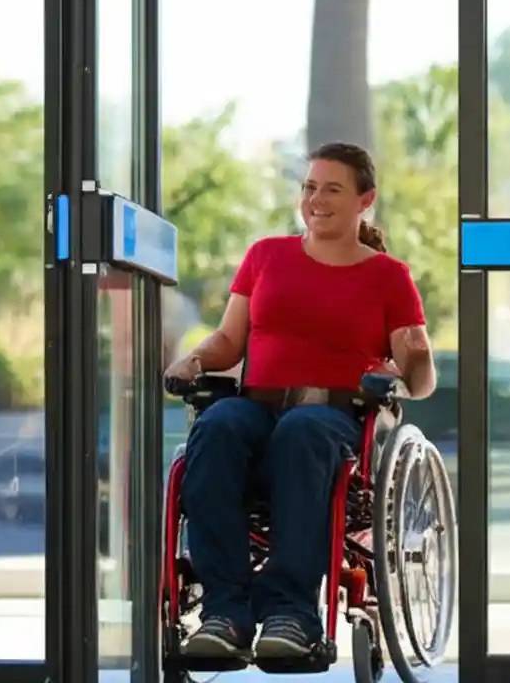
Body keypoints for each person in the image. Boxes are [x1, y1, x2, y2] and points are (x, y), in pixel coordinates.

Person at [162, 142, 436, 660]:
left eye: (332, 188)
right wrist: (194, 361)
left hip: (333, 420)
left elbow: (418, 379)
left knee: (302, 431)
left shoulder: (388, 276)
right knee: (218, 424)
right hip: (257, 406)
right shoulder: (266, 256)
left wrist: (410, 359)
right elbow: (228, 341)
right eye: (310, 187)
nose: (316, 198)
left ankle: (292, 613)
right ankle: (225, 612)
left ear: (365, 200)